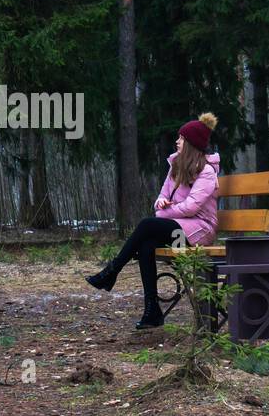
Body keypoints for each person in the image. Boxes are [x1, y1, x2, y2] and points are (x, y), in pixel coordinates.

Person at [87, 112, 220, 328]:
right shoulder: (175, 167)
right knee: (147, 245)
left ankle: (112, 271)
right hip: (179, 231)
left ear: (191, 144)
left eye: (182, 139)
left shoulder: (206, 172)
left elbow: (191, 207)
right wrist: (160, 204)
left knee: (148, 224)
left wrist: (164, 212)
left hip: (199, 232)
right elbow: (162, 195)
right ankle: (152, 311)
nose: (177, 141)